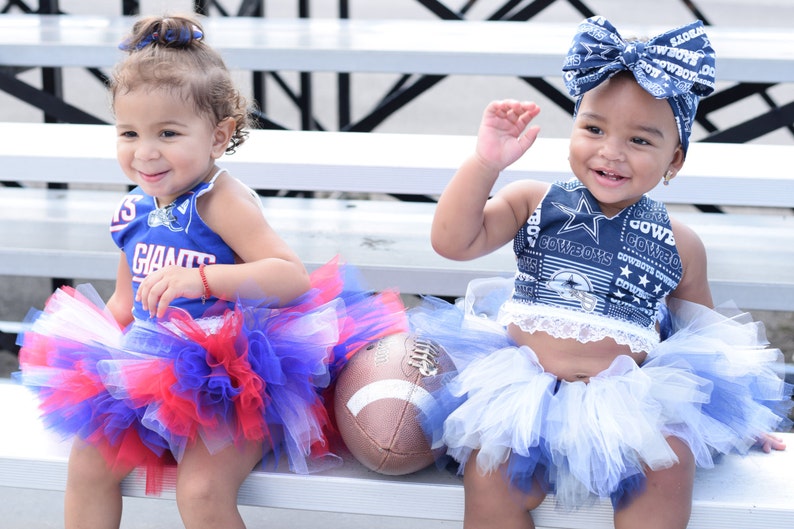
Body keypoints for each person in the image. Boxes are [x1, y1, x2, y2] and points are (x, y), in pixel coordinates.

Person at [15, 14, 406, 529]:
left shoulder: (222, 201)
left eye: (168, 133)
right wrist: (95, 352)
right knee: (88, 465)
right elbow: (125, 299)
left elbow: (290, 277)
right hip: (150, 367)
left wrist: (203, 280)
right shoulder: (135, 209)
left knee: (199, 490)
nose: (145, 151)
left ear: (219, 137)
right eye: (129, 132)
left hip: (235, 376)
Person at [412, 16, 792, 529]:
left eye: (640, 140)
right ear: (573, 127)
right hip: (526, 395)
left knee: (668, 464)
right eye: (594, 129)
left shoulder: (680, 242)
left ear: (673, 159)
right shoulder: (534, 200)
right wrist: (485, 163)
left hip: (631, 401)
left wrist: (735, 418)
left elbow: (704, 338)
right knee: (490, 472)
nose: (610, 151)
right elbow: (452, 242)